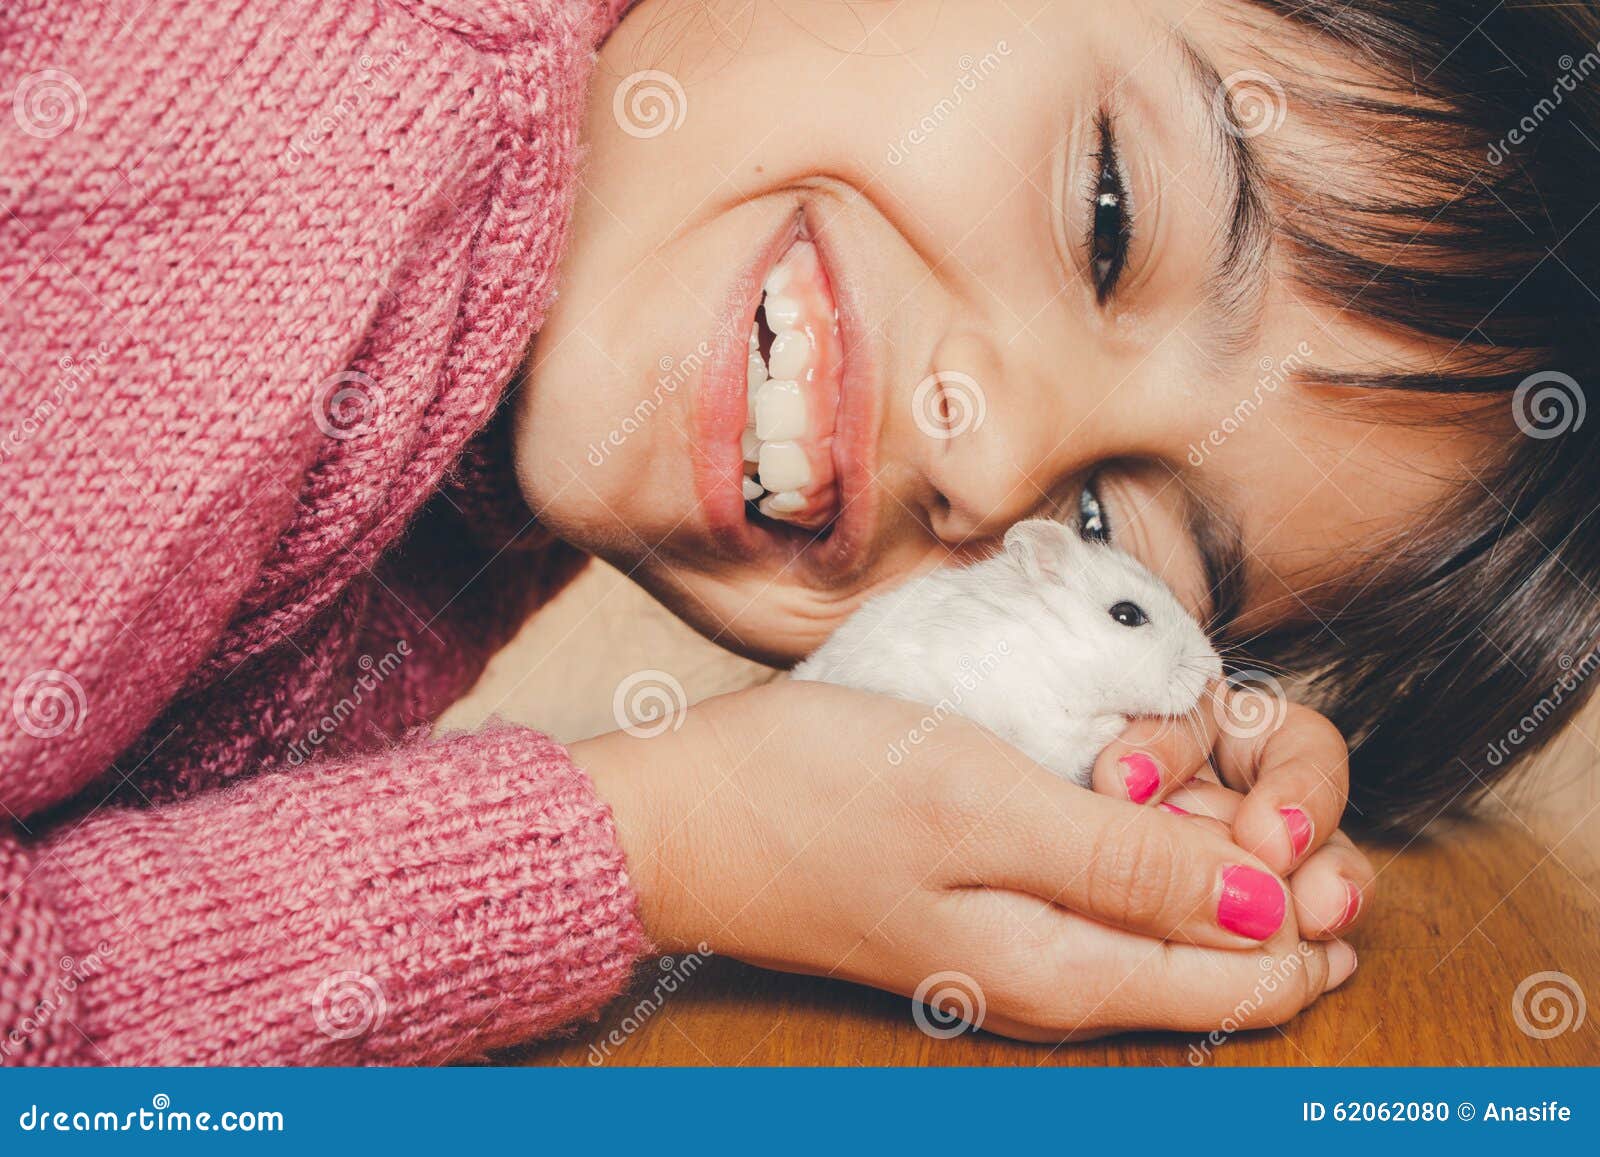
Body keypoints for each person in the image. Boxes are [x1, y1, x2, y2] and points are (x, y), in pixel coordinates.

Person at [2, 0, 1592, 1064]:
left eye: (1108, 523)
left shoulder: (536, 311)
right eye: (1109, 215)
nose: (1002, 461)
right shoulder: (303, 149)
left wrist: (1095, 706)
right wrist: (645, 844)